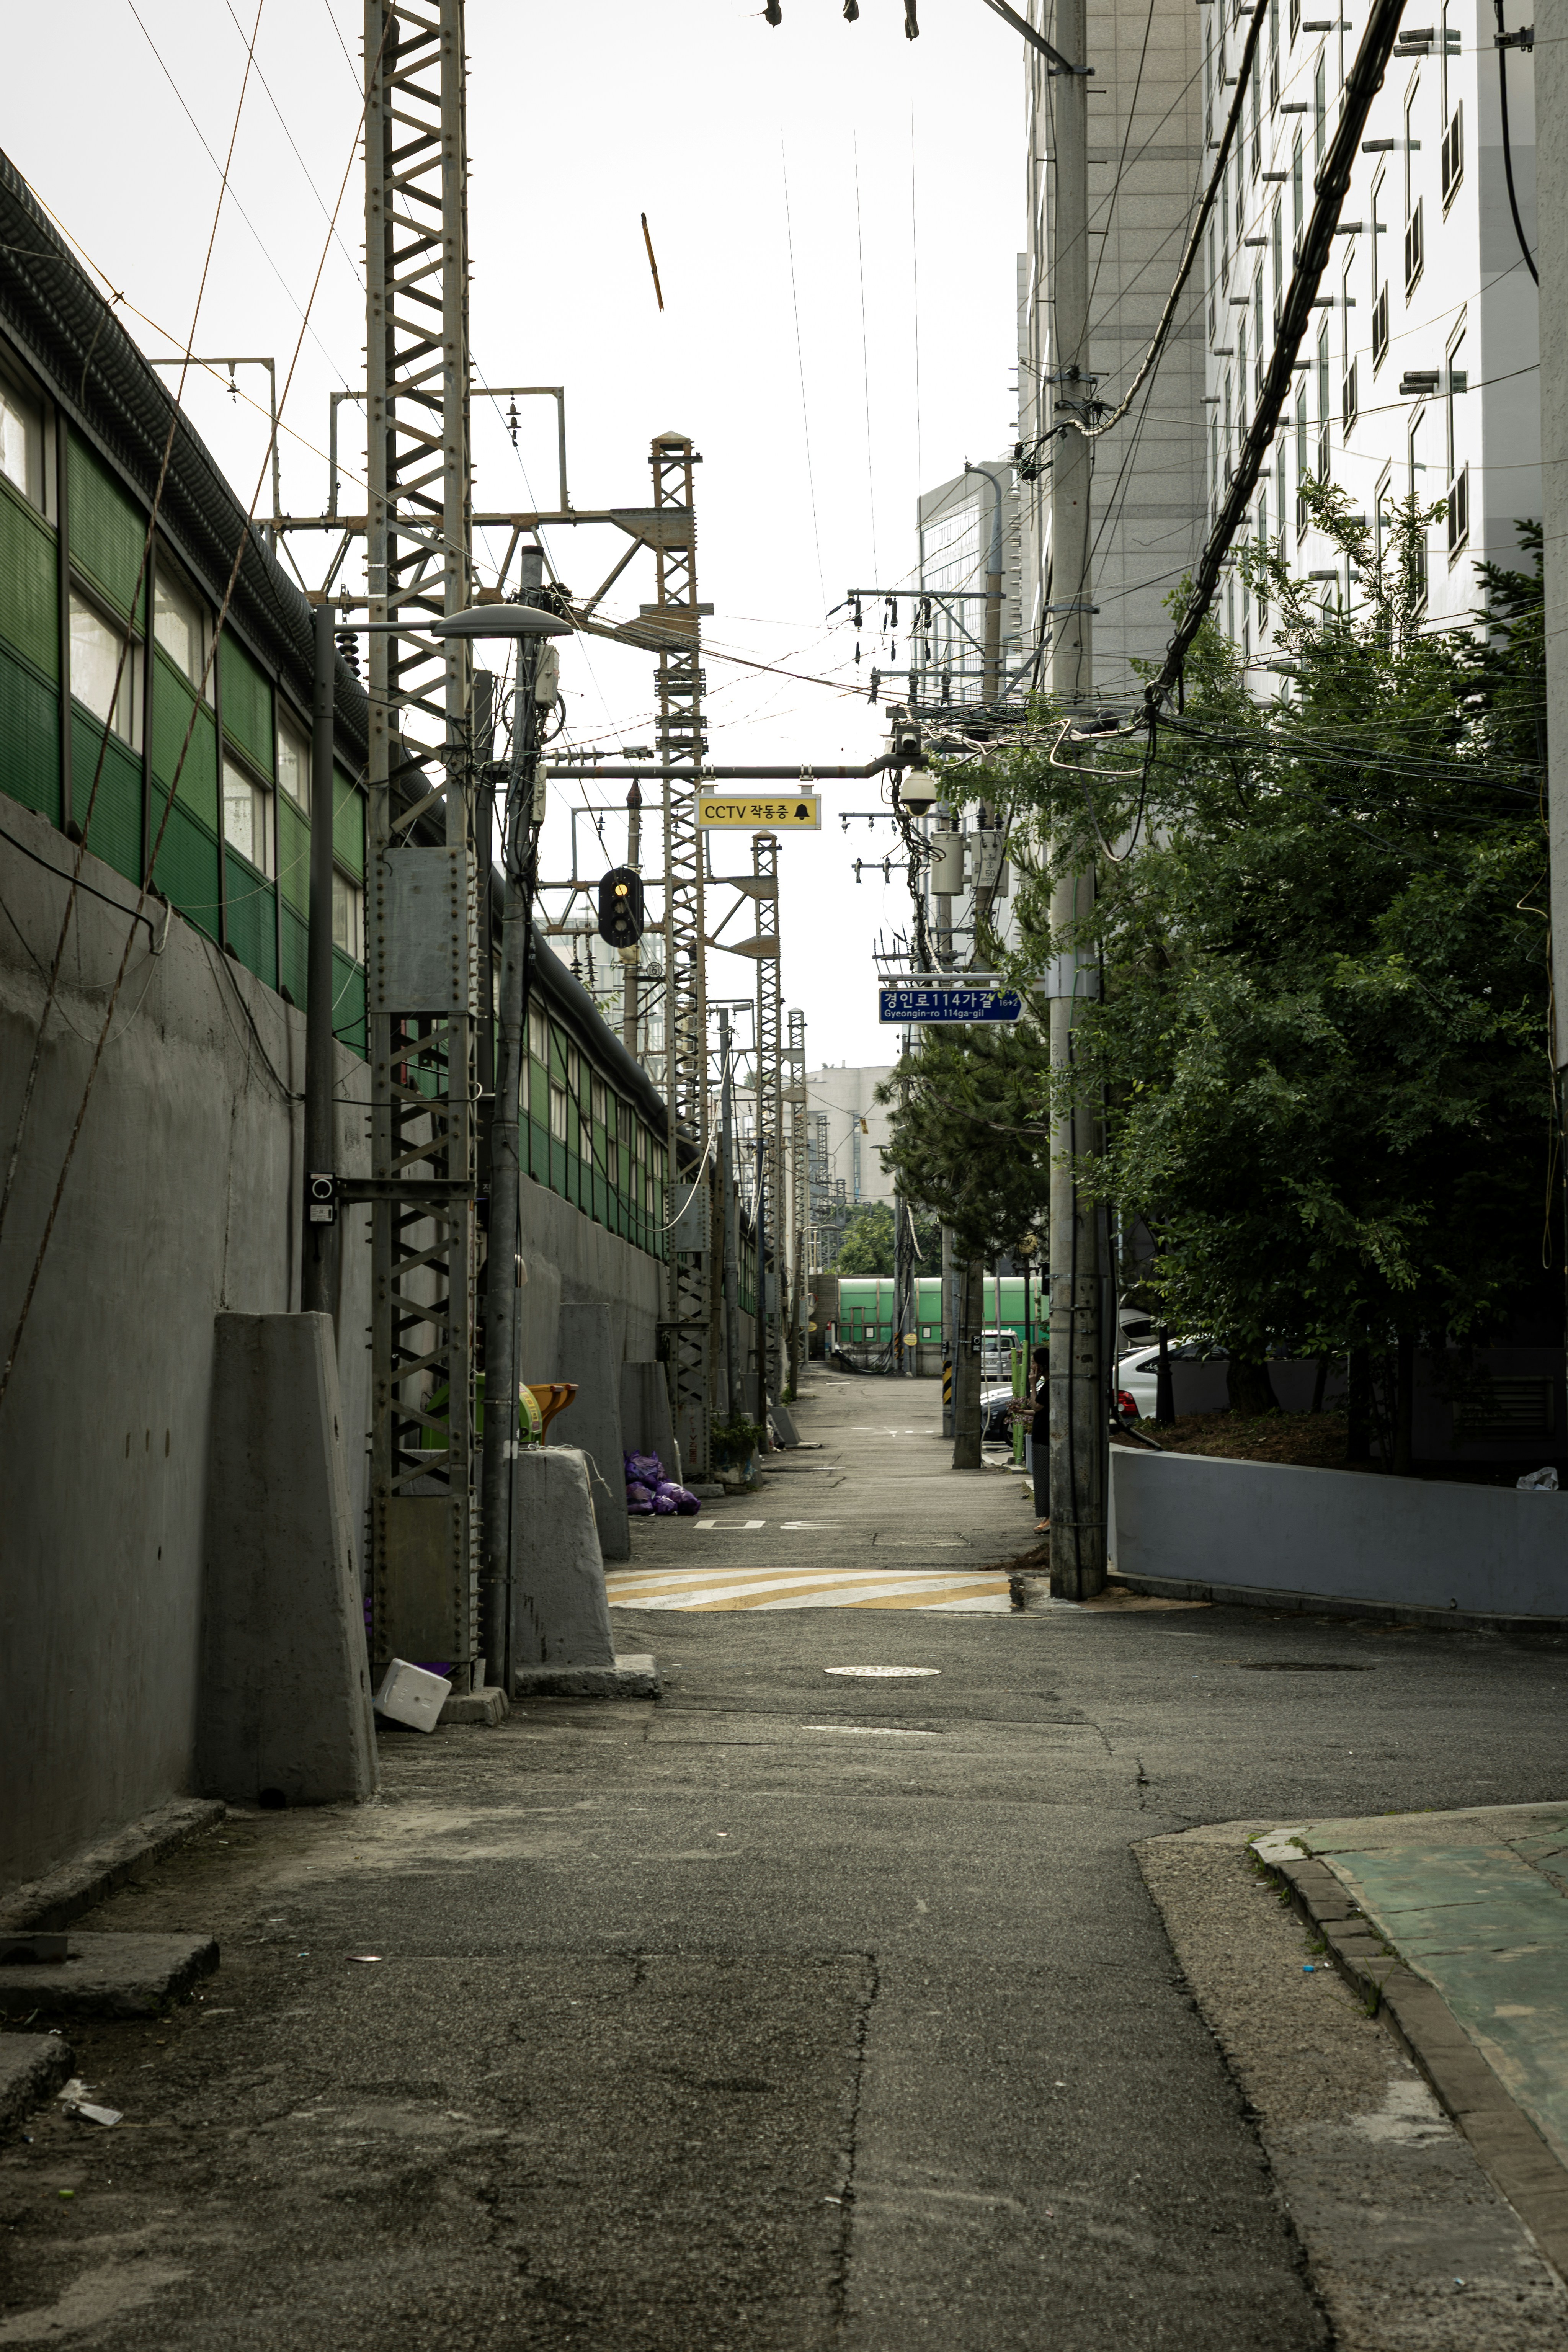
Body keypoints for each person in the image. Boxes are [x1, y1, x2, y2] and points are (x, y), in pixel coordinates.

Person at [1029, 1345, 1049, 1533]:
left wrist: (1033, 1384)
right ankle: (1047, 1517)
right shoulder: (1048, 1385)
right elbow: (1038, 1409)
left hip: (1045, 1440)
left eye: (1034, 1364)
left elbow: (1037, 1406)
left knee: (1045, 1480)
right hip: (1041, 1438)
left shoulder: (1049, 1385)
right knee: (1042, 1480)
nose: (1031, 1367)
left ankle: (1049, 1517)